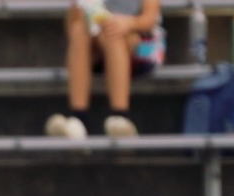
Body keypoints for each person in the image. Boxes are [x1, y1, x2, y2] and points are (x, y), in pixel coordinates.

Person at [45, 0, 164, 139]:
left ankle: (120, 116)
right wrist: (79, 10)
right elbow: (71, 26)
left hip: (144, 48)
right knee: (79, 30)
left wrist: (127, 23)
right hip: (100, 48)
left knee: (110, 31)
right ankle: (78, 118)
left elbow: (150, 20)